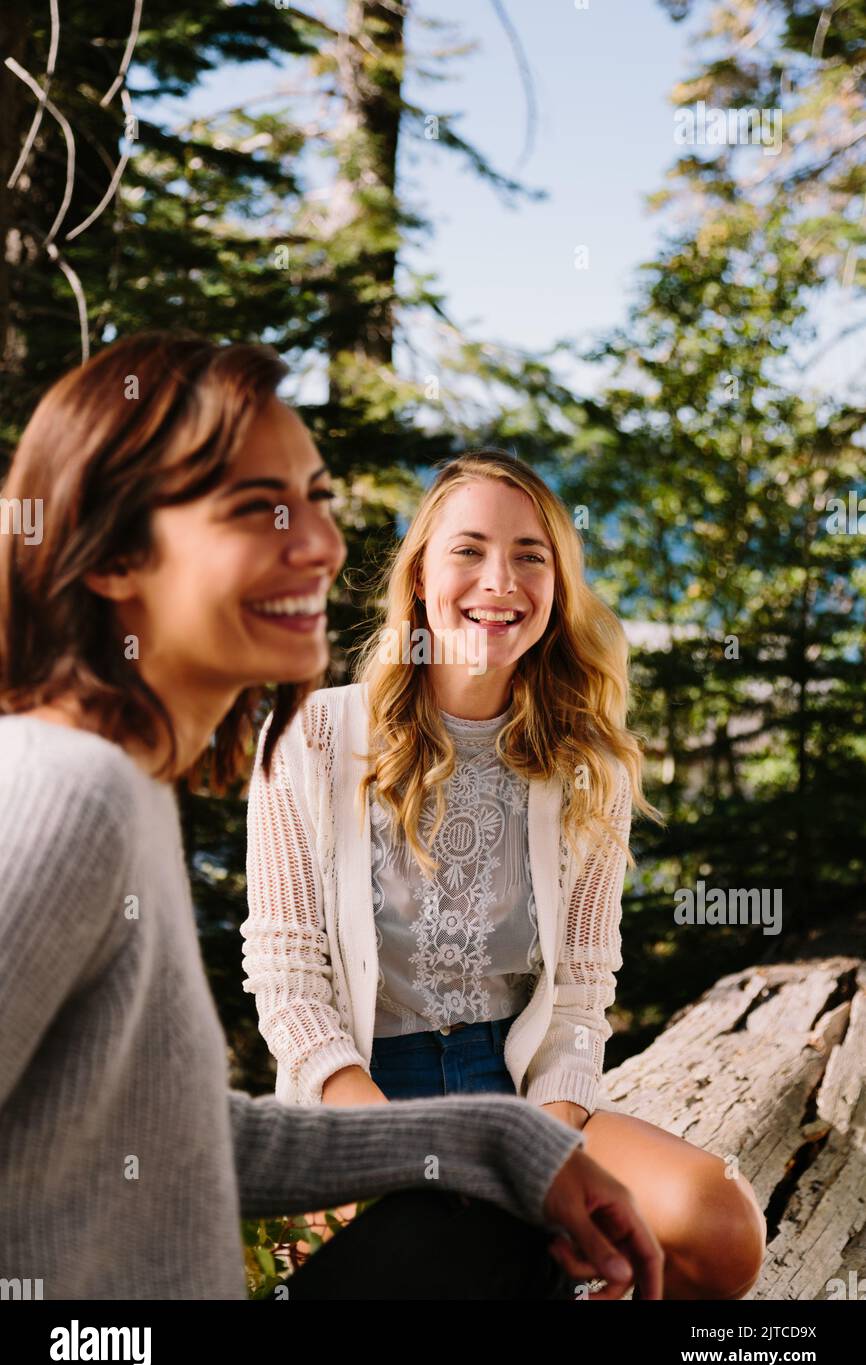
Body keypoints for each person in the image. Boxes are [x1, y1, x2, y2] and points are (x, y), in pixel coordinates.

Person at [0, 330, 664, 1301]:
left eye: (314, 498)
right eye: (253, 509)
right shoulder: (73, 791)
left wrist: (507, 1140)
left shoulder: (126, 785)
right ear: (111, 557)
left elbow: (179, 1131)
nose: (320, 542)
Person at [241, 450, 768, 1300]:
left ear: (557, 586)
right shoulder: (309, 736)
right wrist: (404, 1153)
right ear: (418, 576)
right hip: (363, 1102)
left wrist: (546, 1153)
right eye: (469, 549)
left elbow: (577, 1001)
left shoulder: (586, 768)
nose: (501, 579)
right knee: (450, 1263)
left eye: (532, 555)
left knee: (718, 1227)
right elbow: (290, 988)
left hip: (519, 1095)